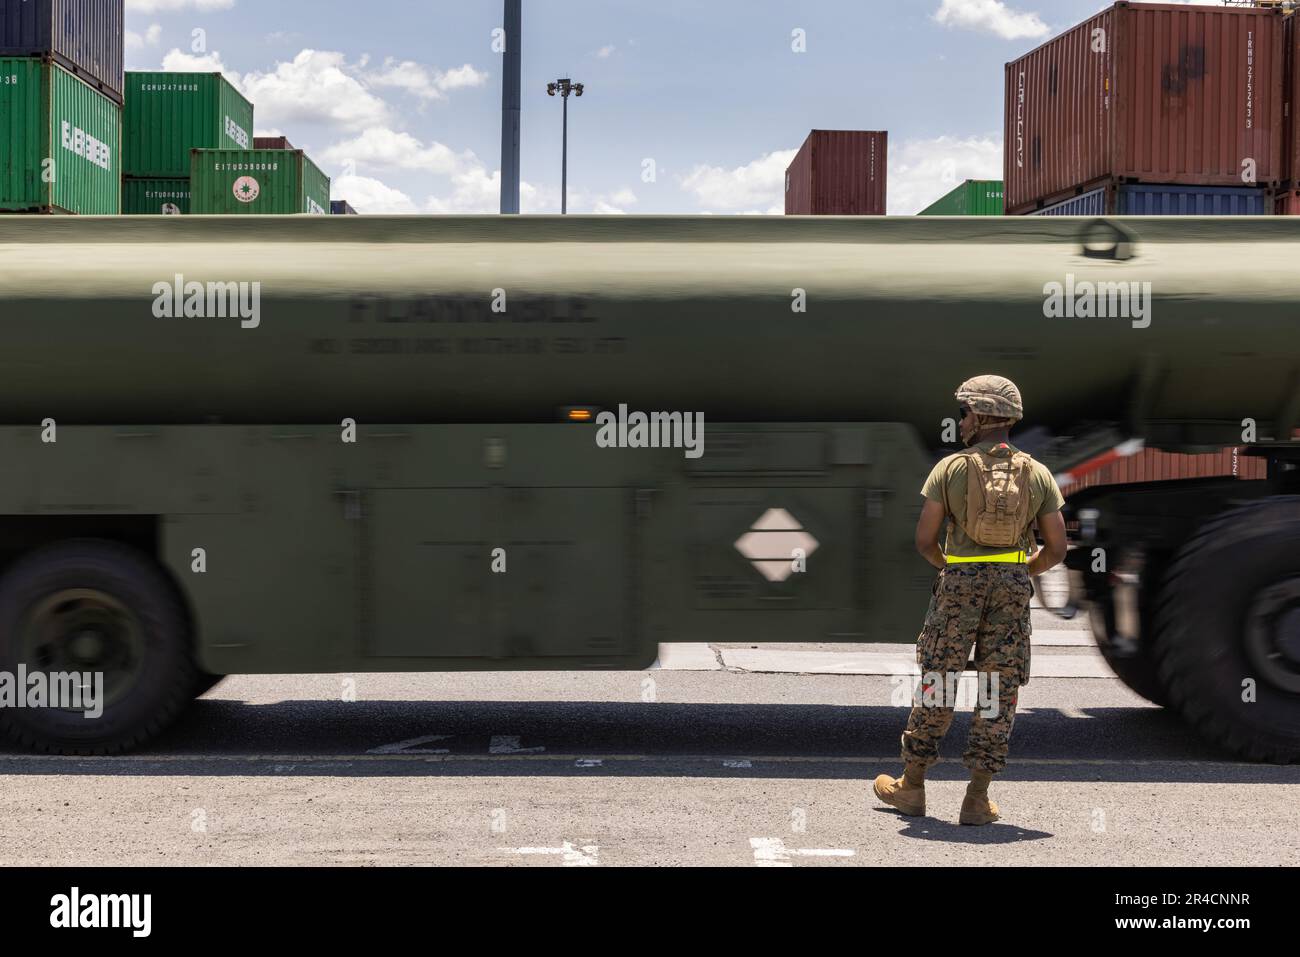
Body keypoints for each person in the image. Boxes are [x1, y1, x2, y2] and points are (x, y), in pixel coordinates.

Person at [873, 375, 1067, 825]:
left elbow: (924, 540)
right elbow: (1056, 548)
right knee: (998, 691)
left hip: (959, 584)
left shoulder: (951, 469)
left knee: (939, 681)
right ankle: (977, 799)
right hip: (1012, 586)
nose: (960, 421)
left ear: (979, 417)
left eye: (964, 413)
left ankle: (912, 788)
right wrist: (1020, 571)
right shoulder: (1036, 473)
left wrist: (956, 569)